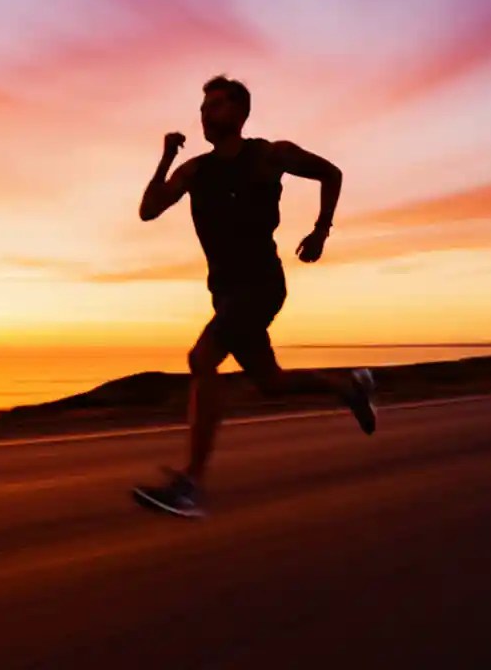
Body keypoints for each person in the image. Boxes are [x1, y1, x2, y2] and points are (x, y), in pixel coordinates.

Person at [132, 75, 376, 518]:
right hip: (225, 294)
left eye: (217, 105)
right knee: (271, 383)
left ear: (241, 113)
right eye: (203, 106)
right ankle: (350, 389)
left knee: (202, 359)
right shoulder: (196, 170)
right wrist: (165, 158)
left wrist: (322, 230)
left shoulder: (268, 155)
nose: (206, 113)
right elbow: (149, 209)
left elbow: (330, 173)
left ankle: (190, 484)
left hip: (262, 285)